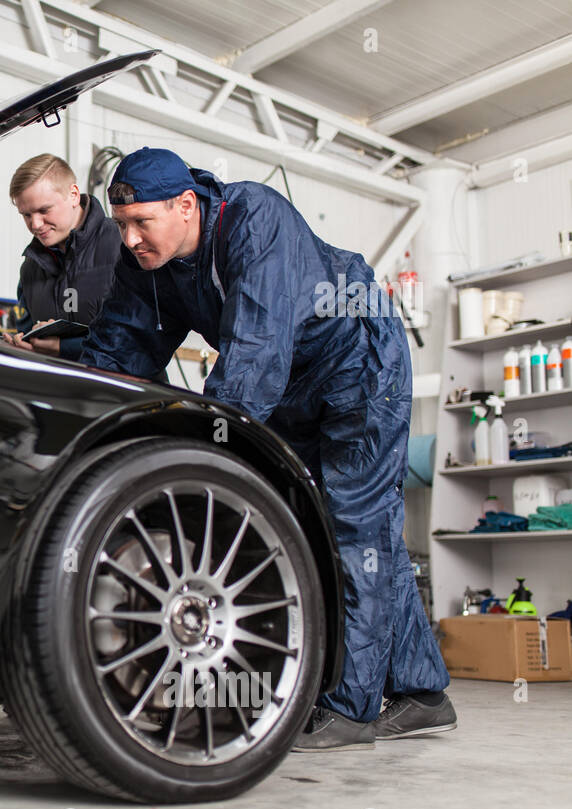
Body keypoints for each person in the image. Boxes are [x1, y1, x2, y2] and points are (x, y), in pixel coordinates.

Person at [80, 146, 454, 751]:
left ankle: (353, 708)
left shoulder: (255, 219)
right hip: (294, 383)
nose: (128, 239)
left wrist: (201, 456)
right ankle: (421, 692)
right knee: (340, 526)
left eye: (140, 223)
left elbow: (254, 357)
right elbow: (122, 348)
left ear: (184, 206)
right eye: (120, 225)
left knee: (354, 522)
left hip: (359, 361)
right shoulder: (148, 262)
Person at [1, 154, 122, 361]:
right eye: (26, 215)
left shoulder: (122, 243)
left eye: (44, 210)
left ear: (73, 195)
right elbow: (27, 333)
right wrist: (23, 345)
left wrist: (64, 348)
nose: (35, 224)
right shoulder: (30, 268)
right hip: (61, 389)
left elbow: (140, 336)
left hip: (124, 390)